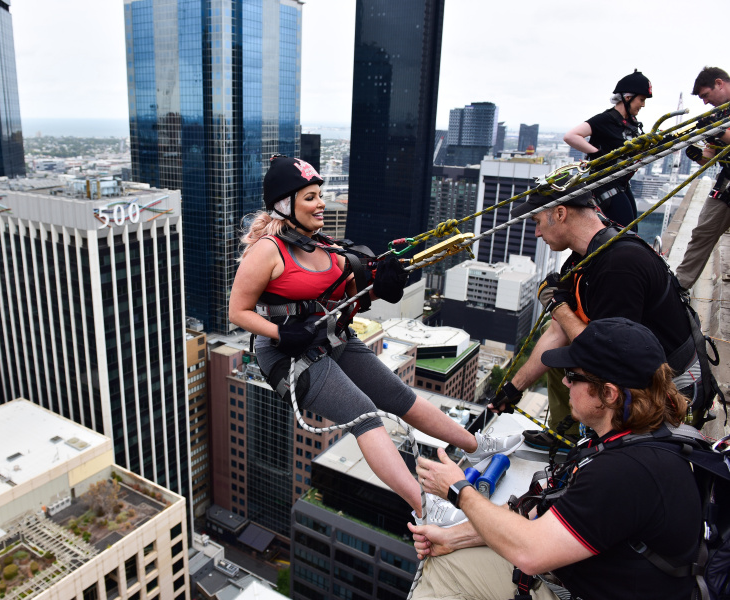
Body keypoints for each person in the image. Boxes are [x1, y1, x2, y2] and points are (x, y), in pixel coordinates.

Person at [228, 155, 522, 523]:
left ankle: (475, 445)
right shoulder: (267, 251)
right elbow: (237, 312)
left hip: (329, 336)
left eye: (320, 194)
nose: (320, 203)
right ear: (285, 205)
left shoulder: (326, 247)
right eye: (309, 197)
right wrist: (281, 331)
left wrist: (381, 286)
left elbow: (349, 297)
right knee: (365, 414)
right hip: (286, 354)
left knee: (399, 396)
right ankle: (426, 507)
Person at [410, 318, 702, 600]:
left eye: (573, 376)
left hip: (579, 584)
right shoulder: (635, 439)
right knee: (453, 555)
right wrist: (453, 538)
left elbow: (531, 551)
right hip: (592, 570)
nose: (564, 380)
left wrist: (459, 491)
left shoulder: (621, 472)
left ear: (609, 394)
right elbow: (537, 516)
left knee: (446, 571)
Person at [492, 184, 718, 445]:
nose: (537, 232)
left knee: (578, 350)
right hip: (641, 376)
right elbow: (558, 333)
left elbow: (606, 355)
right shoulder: (586, 257)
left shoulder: (618, 267)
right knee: (559, 343)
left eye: (539, 221)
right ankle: (567, 437)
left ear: (561, 213)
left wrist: (557, 305)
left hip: (670, 395)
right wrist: (513, 389)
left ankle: (595, 444)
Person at [563, 69, 652, 229]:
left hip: (622, 183)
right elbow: (571, 136)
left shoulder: (631, 123)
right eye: (641, 99)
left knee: (632, 229)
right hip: (606, 185)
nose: (643, 104)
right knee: (625, 230)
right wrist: (597, 154)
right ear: (628, 97)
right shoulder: (605, 120)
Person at [675, 66, 730, 291]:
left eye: (706, 95)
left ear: (719, 83)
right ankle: (678, 287)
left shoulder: (716, 121)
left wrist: (716, 131)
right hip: (726, 183)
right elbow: (709, 158)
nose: (705, 103)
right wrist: (697, 156)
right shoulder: (718, 116)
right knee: (702, 233)